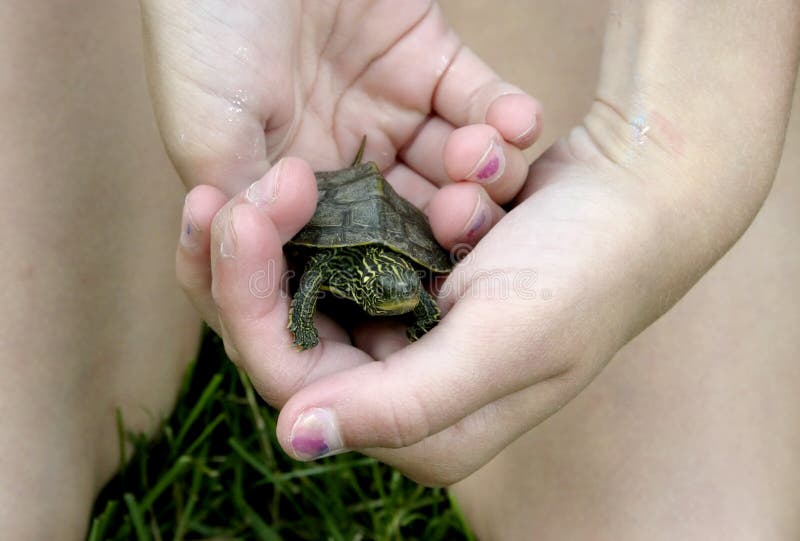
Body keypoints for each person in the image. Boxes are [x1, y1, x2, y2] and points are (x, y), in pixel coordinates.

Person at [1, 1, 798, 539]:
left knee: (683, 514)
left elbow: (414, 290)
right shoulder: (347, 263)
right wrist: (303, 309)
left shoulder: (403, 280)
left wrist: (679, 136)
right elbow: (312, 277)